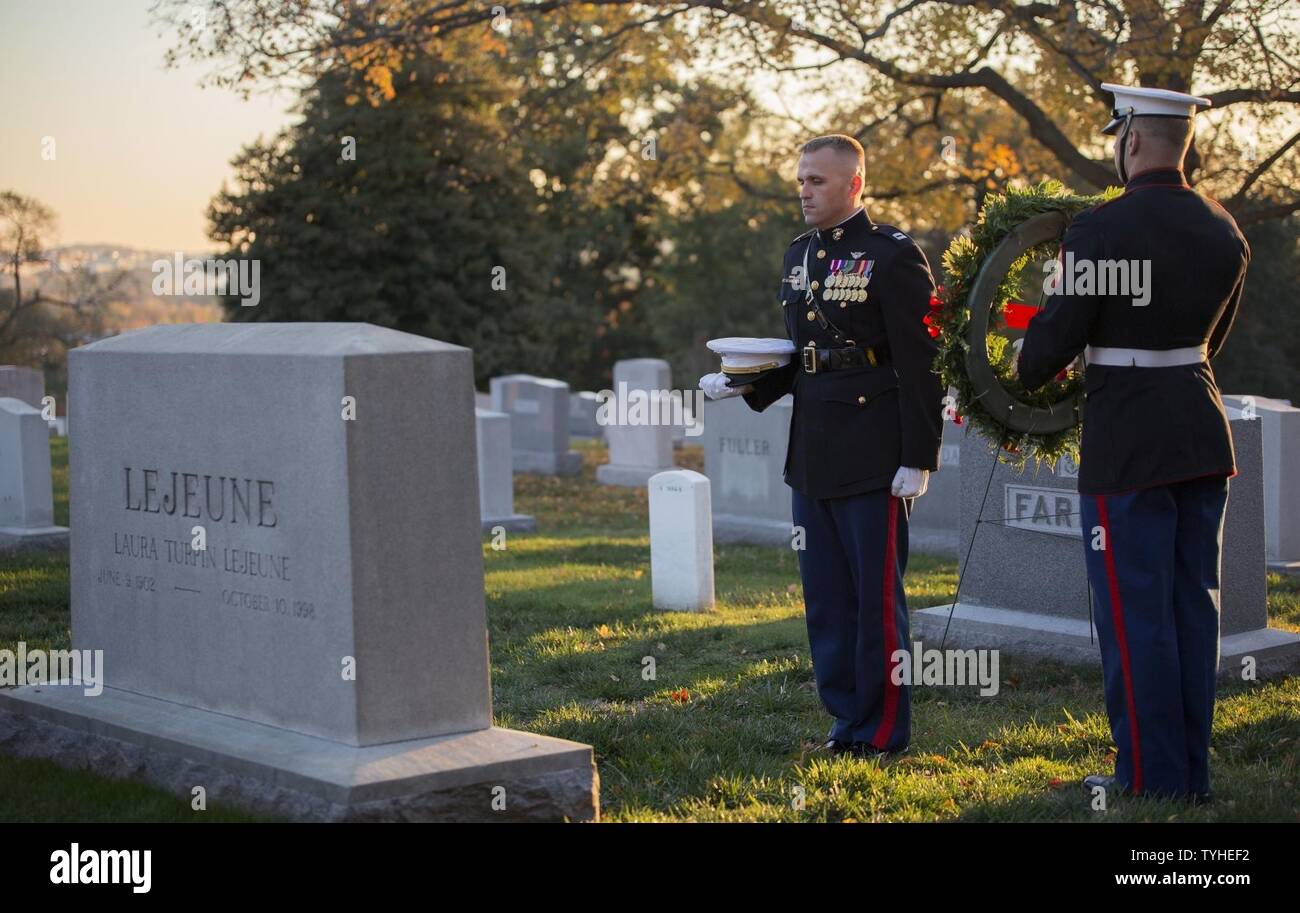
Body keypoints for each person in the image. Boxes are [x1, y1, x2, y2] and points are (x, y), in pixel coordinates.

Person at [1016, 84, 1250, 802]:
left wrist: (1024, 362)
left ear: (1133, 141)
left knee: (1132, 615)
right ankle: (1190, 773)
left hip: (1128, 447)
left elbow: (1050, 346)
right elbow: (1212, 340)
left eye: (1116, 137)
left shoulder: (1101, 229)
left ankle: (1150, 778)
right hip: (1200, 434)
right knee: (1191, 608)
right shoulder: (1224, 228)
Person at [700, 134, 944, 757]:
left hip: (875, 455)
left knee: (876, 604)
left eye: (818, 181)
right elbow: (805, 356)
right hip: (812, 450)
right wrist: (743, 382)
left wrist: (919, 456)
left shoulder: (892, 255)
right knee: (828, 604)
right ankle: (845, 724)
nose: (804, 191)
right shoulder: (797, 255)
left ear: (855, 184)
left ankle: (884, 733)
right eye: (801, 180)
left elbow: (922, 362)